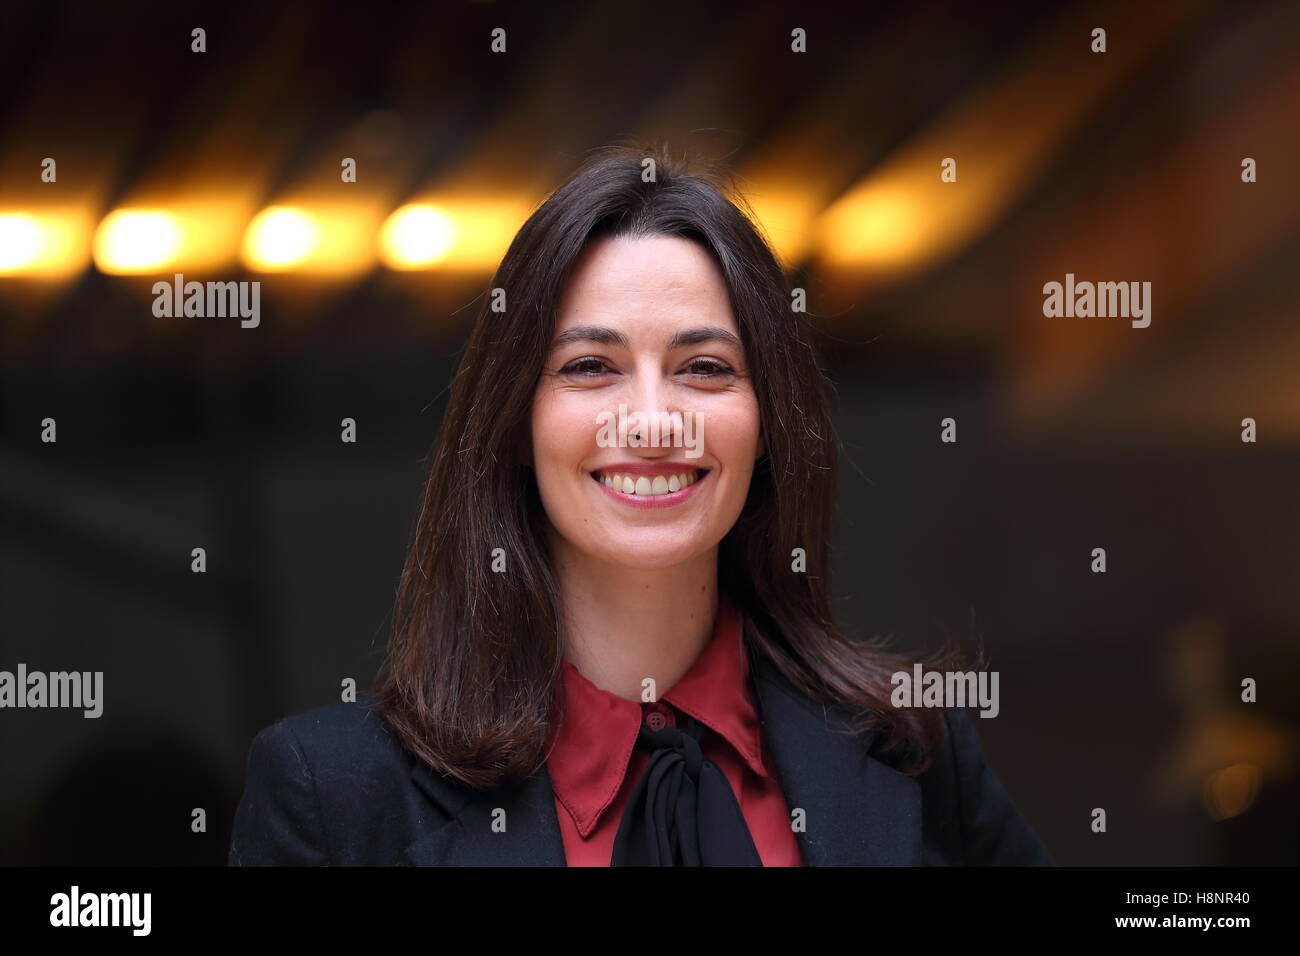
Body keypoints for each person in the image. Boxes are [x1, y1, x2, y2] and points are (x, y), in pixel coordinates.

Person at [229, 144, 1052, 866]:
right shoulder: (333, 798)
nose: (653, 420)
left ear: (767, 423)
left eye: (706, 368)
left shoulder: (911, 748)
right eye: (590, 366)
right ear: (516, 420)